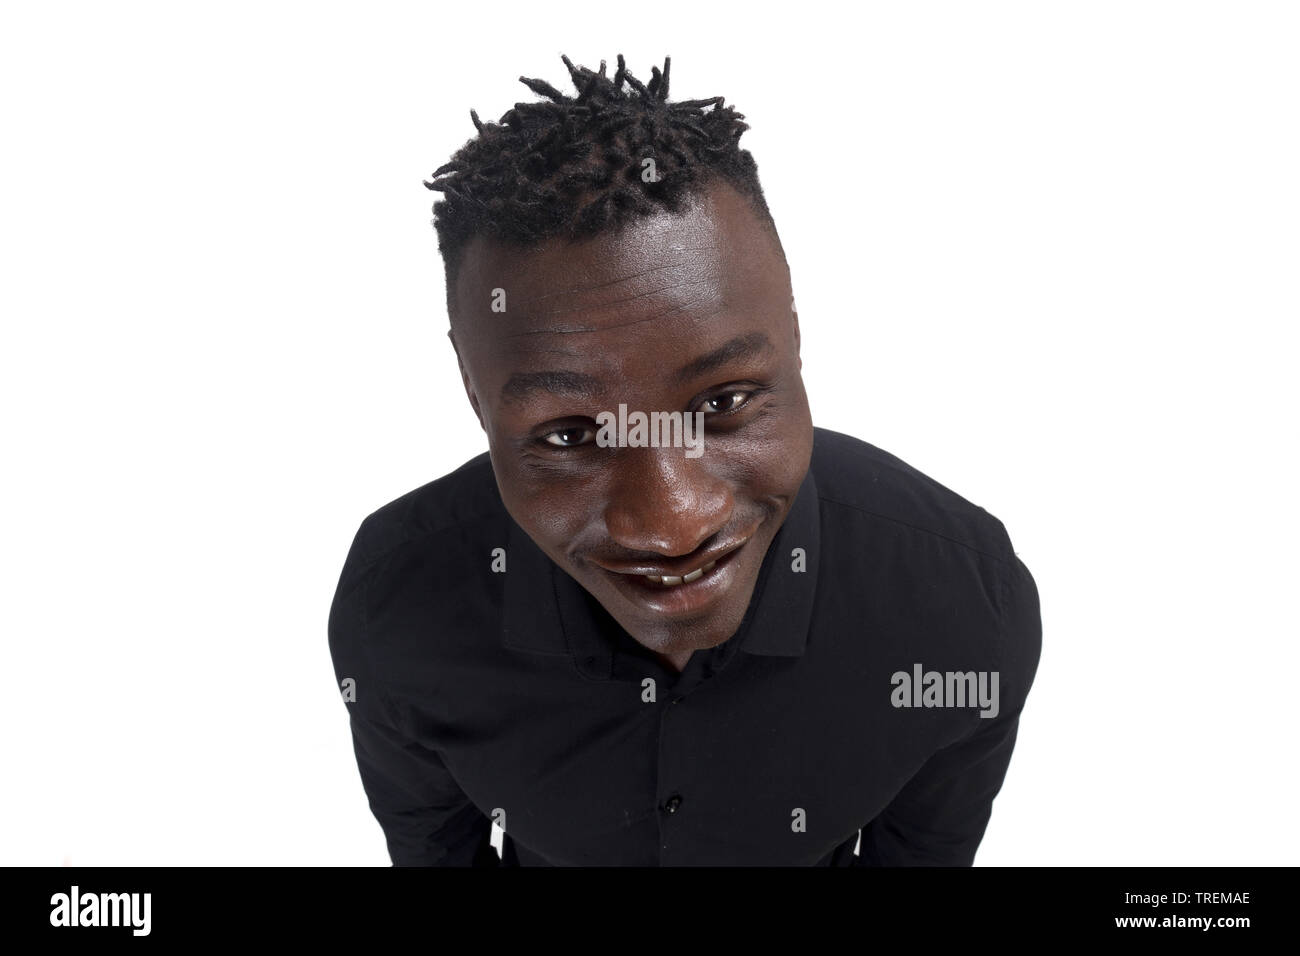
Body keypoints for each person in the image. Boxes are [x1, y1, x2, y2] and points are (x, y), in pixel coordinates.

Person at [328, 54, 1042, 866]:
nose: (671, 524)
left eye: (722, 403)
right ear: (471, 389)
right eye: (570, 435)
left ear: (796, 340)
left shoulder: (962, 612)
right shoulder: (397, 609)